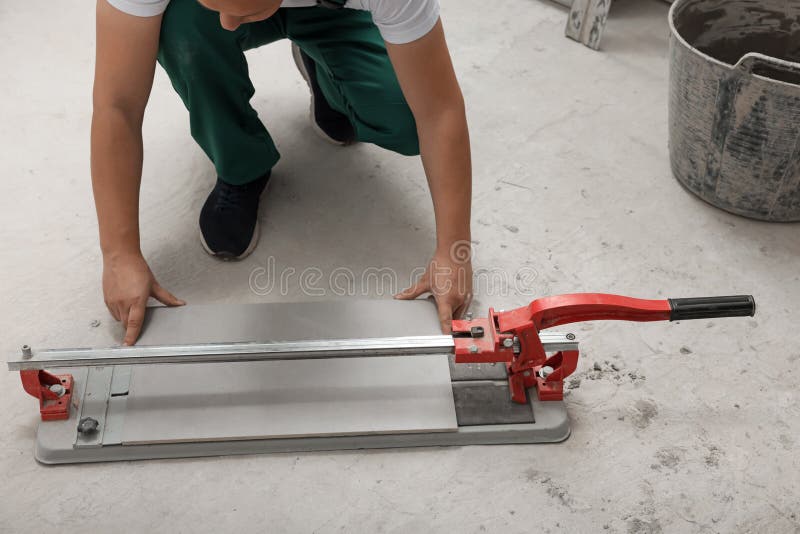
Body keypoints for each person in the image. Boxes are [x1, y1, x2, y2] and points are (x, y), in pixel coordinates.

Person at [92, 0, 473, 344]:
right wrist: (119, 254)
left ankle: (329, 79)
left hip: (335, 8)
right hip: (200, 20)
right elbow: (117, 106)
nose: (227, 22)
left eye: (234, 10)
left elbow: (439, 111)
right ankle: (241, 163)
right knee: (183, 28)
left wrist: (454, 251)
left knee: (403, 116)